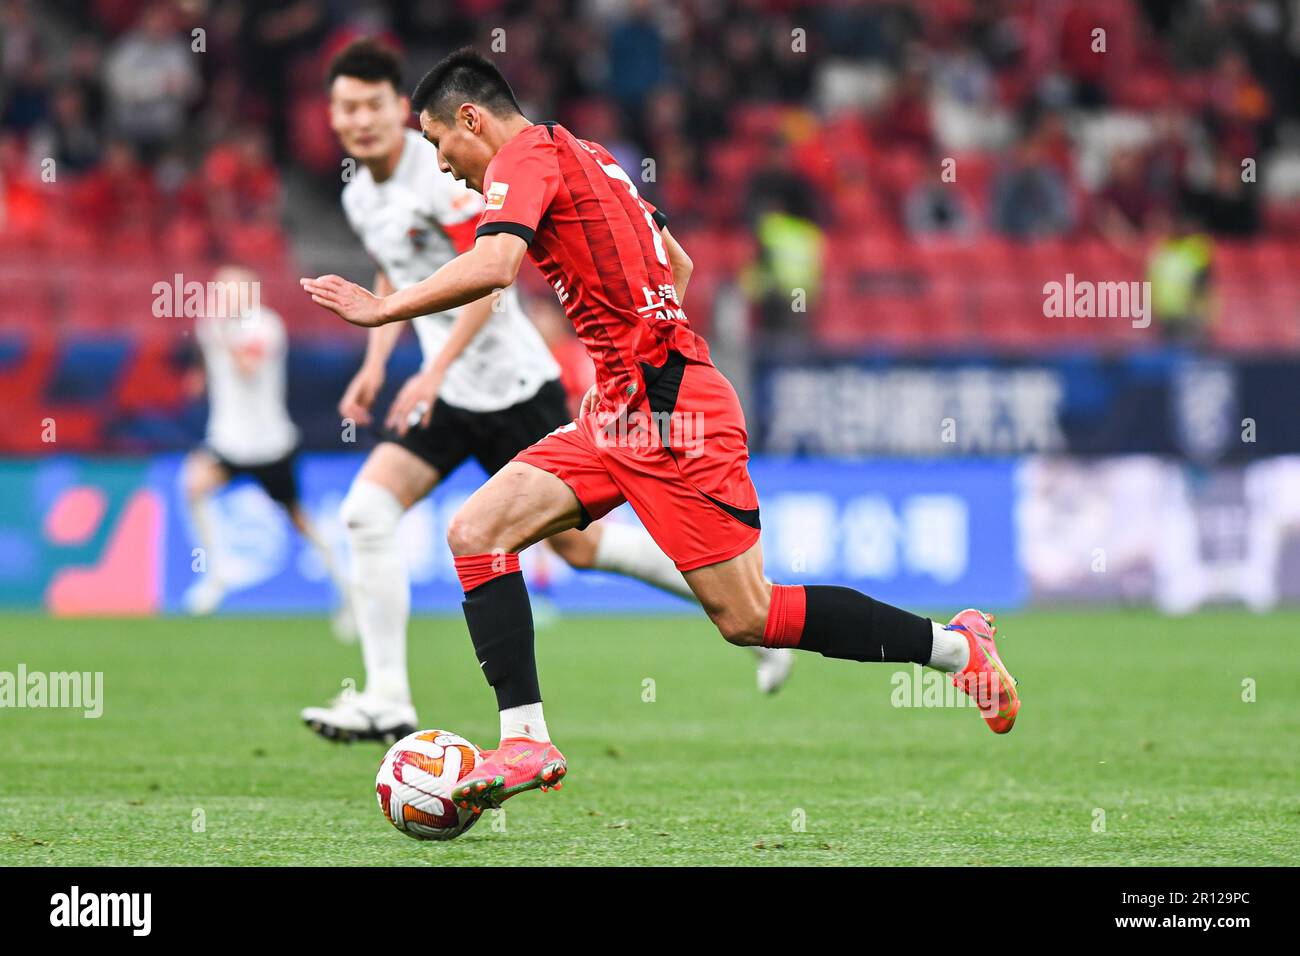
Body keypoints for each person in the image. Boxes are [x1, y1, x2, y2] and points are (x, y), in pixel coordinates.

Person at [302, 48, 1017, 812]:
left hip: (678, 414)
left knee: (750, 616)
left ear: (472, 121)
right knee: (478, 532)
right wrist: (626, 351)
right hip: (624, 405)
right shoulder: (593, 157)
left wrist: (382, 309)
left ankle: (955, 646)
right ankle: (525, 739)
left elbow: (495, 264)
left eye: (442, 144)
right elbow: (677, 262)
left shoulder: (526, 158)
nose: (442, 164)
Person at [301, 41, 792, 744]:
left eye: (373, 105)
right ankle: (387, 697)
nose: (360, 121)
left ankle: (755, 621)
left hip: (509, 386)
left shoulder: (450, 174)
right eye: (344, 108)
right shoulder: (360, 192)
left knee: (579, 551)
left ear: (404, 114)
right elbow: (391, 270)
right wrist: (378, 360)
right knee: (368, 511)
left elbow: (492, 271)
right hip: (442, 393)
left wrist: (432, 364)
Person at [183, 265, 354, 639]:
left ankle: (346, 590)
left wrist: (223, 333)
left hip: (268, 444)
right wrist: (200, 376)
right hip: (227, 441)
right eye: (219, 290)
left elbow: (247, 367)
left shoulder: (265, 326)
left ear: (249, 294)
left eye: (230, 291)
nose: (222, 298)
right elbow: (210, 361)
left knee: (298, 519)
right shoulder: (209, 325)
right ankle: (217, 574)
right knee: (193, 485)